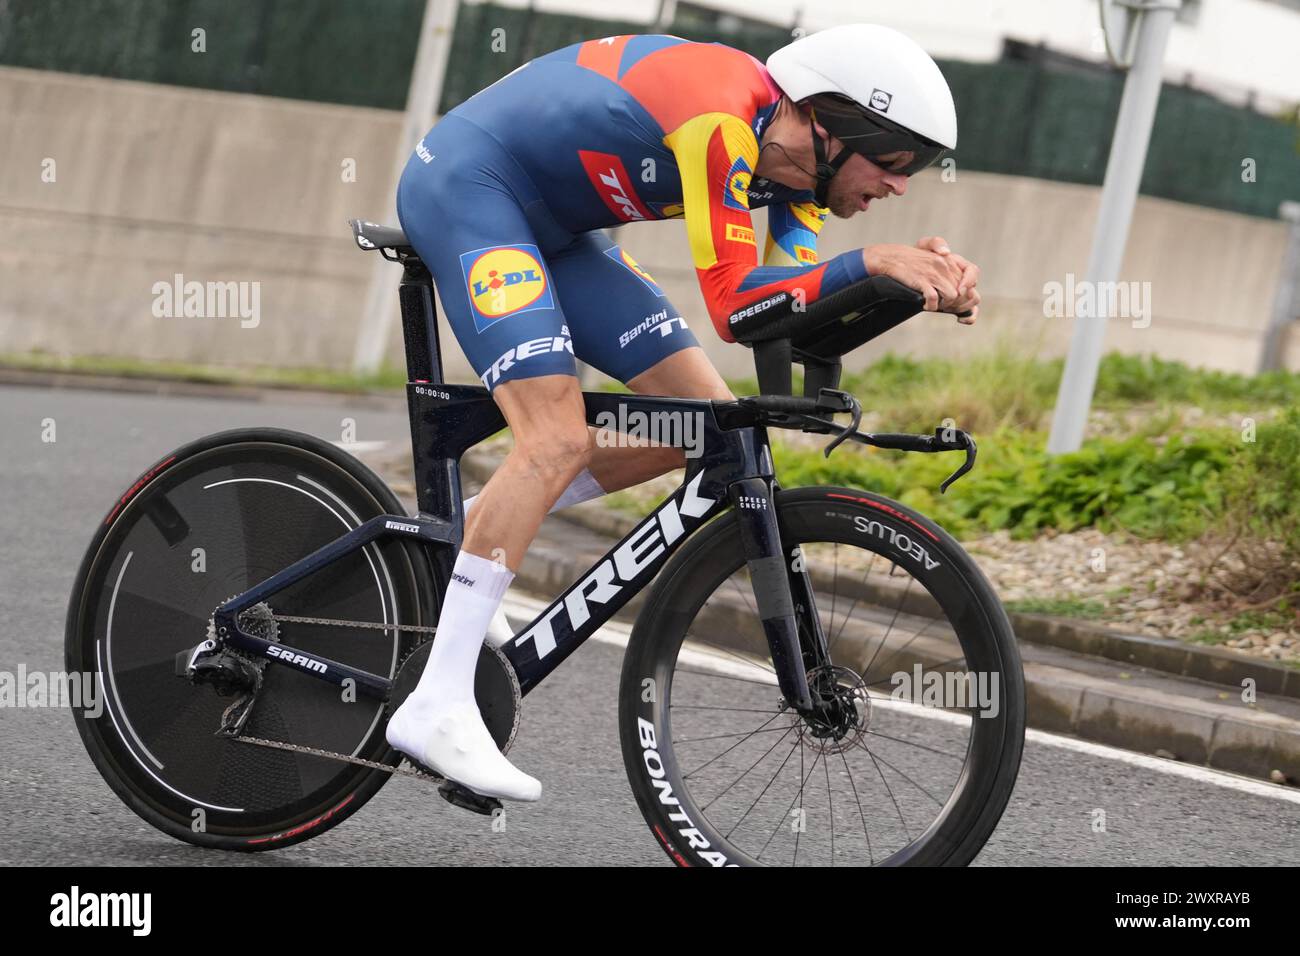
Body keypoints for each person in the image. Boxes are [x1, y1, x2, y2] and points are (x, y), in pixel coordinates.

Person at [386, 23, 982, 801]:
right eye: (897, 162)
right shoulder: (724, 124)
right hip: (472, 190)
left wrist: (900, 286)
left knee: (710, 426)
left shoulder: (798, 178)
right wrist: (874, 260)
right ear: (836, 126)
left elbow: (787, 307)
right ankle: (435, 704)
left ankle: (489, 528)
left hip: (564, 236)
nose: (901, 186)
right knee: (555, 435)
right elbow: (736, 308)